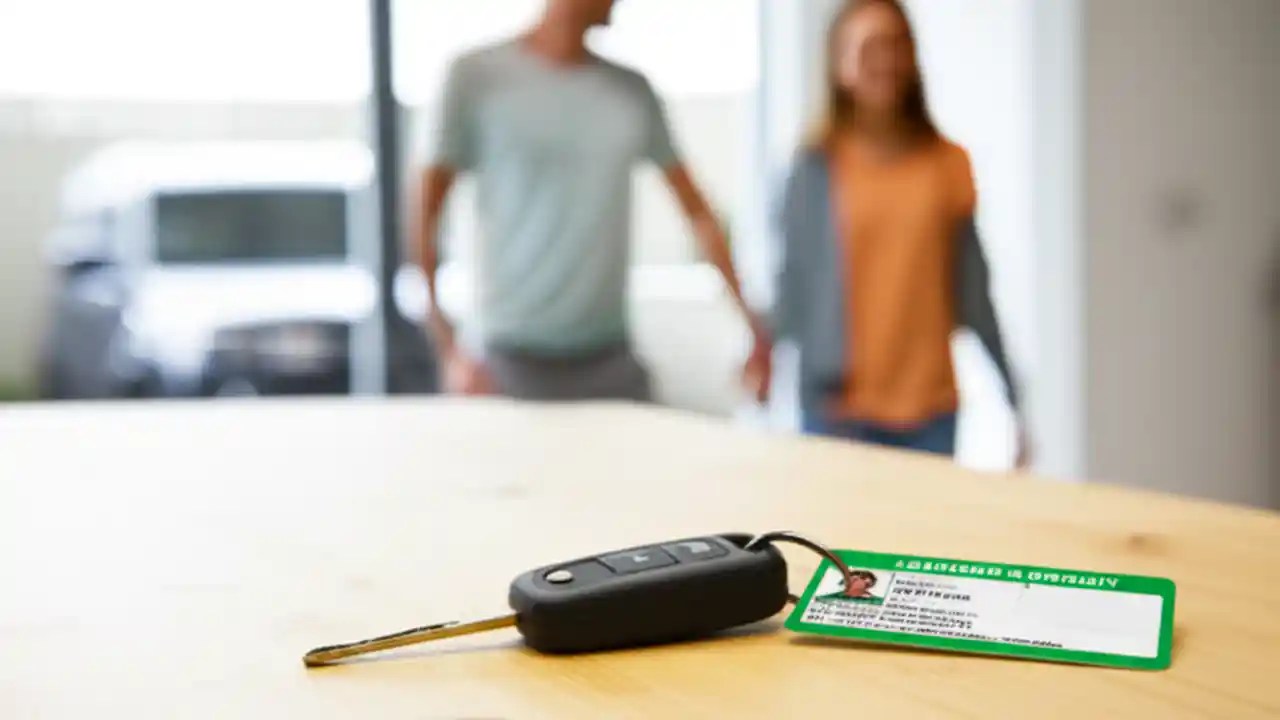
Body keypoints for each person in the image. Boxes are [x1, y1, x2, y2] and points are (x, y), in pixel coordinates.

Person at [415, 0, 771, 402]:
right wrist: (447, 346)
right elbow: (426, 214)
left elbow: (698, 214)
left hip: (609, 362)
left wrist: (752, 327)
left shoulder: (632, 91)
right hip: (506, 363)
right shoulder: (474, 78)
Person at [773, 0, 1028, 464]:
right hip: (838, 412)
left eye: (896, 45)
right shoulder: (813, 167)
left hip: (930, 412)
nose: (886, 60)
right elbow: (793, 284)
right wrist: (761, 356)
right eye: (869, 47)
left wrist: (1014, 395)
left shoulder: (949, 163)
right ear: (839, 64)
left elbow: (974, 291)